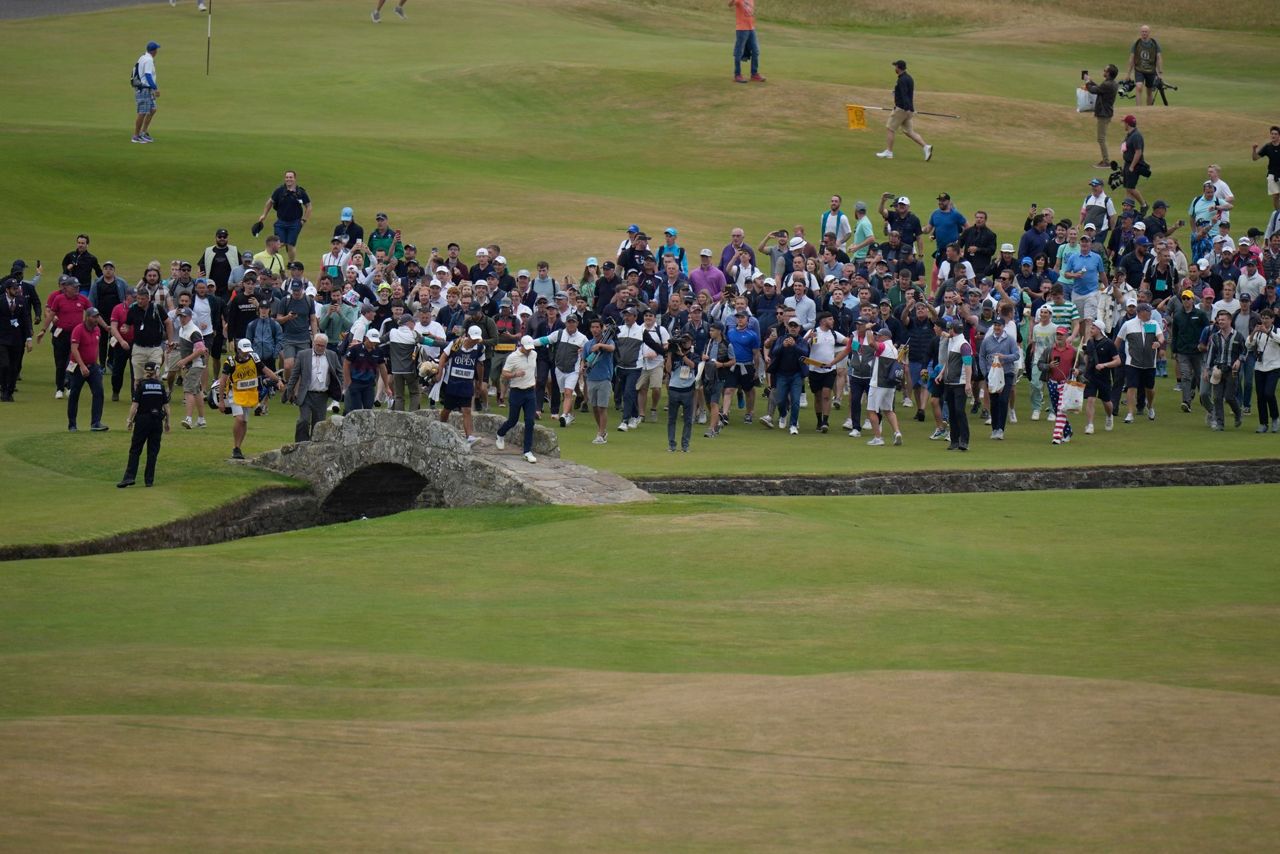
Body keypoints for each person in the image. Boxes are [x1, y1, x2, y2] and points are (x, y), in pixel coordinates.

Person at [219, 338, 281, 460]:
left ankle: (238, 448)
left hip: (249, 394)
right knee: (240, 419)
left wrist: (277, 380)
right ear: (238, 350)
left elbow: (265, 370)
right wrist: (221, 400)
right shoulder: (230, 362)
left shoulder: (254, 358)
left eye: (248, 351)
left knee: (245, 421)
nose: (246, 354)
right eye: (244, 351)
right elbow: (223, 381)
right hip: (235, 393)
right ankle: (235, 447)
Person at [38, 275, 94, 399]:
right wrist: (43, 330)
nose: (77, 289)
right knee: (60, 362)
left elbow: (92, 313)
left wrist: (103, 326)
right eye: (74, 287)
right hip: (61, 334)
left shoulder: (82, 299)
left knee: (73, 360)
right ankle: (59, 388)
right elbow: (50, 314)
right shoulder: (57, 298)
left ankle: (69, 385)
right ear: (66, 287)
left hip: (76, 335)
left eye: (77, 287)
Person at [117, 361, 169, 488]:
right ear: (156, 372)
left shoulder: (141, 386)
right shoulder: (161, 386)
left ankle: (129, 477)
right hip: (157, 421)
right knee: (153, 451)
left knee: (135, 449)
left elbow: (135, 405)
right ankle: (149, 480)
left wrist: (129, 420)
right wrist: (168, 422)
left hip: (142, 420)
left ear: (146, 371)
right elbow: (166, 406)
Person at [68, 308, 120, 432]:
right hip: (78, 367)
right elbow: (74, 349)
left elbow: (95, 348)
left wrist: (94, 364)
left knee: (99, 392)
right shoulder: (78, 330)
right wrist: (82, 365)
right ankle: (72, 424)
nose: (96, 319)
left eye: (97, 317)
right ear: (87, 317)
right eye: (94, 317)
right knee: (74, 394)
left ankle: (95, 423)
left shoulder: (97, 330)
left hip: (93, 366)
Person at [285, 333, 343, 442]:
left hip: (322, 395)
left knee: (319, 424)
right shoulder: (303, 355)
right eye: (318, 345)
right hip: (306, 394)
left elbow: (339, 372)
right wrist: (289, 391)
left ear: (326, 346)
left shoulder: (332, 355)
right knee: (303, 421)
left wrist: (340, 387)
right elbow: (295, 374)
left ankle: (315, 447)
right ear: (313, 343)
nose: (320, 348)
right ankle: (301, 445)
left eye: (323, 346)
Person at [495, 336, 540, 463]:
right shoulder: (512, 357)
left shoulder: (534, 354)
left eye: (531, 348)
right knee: (513, 420)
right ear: (521, 346)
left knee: (530, 421)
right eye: (527, 348)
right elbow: (504, 373)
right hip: (516, 392)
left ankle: (527, 451)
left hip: (530, 392)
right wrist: (515, 374)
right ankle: (500, 433)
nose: (529, 351)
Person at [876, 60, 932, 162]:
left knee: (890, 128)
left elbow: (905, 95)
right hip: (908, 110)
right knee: (909, 131)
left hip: (902, 109)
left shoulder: (902, 80)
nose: (894, 69)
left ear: (899, 68)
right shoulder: (909, 78)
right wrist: (910, 109)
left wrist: (907, 108)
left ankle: (889, 152)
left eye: (895, 67)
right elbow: (906, 93)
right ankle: (926, 147)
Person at [1117, 302, 1163, 422]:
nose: (1149, 313)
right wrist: (1115, 356)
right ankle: (1130, 414)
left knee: (1150, 388)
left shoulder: (1153, 324)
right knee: (1131, 387)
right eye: (1147, 311)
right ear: (1140, 313)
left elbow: (1160, 337)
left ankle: (1150, 406)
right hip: (1132, 362)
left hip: (1149, 363)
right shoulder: (1128, 325)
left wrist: (1159, 342)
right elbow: (1118, 341)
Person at [437, 325, 483, 443]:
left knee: (467, 409)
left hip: (467, 383)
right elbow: (443, 357)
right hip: (452, 382)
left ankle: (469, 436)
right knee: (447, 409)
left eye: (477, 339)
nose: (475, 341)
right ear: (468, 336)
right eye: (474, 339)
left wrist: (479, 382)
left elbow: (480, 365)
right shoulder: (455, 344)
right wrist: (440, 372)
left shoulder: (479, 348)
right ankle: (440, 427)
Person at [256, 170, 312, 263]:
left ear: (295, 179)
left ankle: (291, 264)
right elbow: (270, 202)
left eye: (290, 177)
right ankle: (264, 258)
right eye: (287, 177)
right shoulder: (279, 191)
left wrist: (303, 220)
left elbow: (309, 206)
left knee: (290, 245)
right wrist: (264, 215)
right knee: (278, 243)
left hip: (295, 223)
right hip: (281, 222)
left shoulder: (300, 192)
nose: (288, 179)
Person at [1203, 310, 1244, 430]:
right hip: (1218, 370)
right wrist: (1206, 369)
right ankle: (1220, 423)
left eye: (1223, 319)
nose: (1220, 321)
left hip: (1232, 371)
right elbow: (1211, 354)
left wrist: (1239, 360)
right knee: (1217, 397)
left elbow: (1244, 352)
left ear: (1229, 321)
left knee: (1229, 397)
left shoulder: (1238, 336)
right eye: (1219, 319)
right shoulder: (1215, 337)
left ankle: (1238, 413)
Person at [979, 315, 1017, 439]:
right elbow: (981, 356)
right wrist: (985, 372)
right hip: (992, 375)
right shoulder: (987, 340)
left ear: (1003, 326)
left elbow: (1016, 355)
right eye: (995, 325)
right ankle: (994, 428)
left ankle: (1000, 429)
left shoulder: (1010, 339)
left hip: (1006, 373)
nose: (997, 327)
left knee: (1003, 400)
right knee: (994, 401)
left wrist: (1004, 357)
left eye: (999, 325)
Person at [866, 325, 903, 446]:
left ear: (885, 336)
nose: (877, 337)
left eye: (879, 335)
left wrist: (868, 330)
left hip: (878, 383)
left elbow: (871, 343)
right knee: (888, 410)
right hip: (890, 385)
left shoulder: (883, 346)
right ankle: (897, 432)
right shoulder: (894, 348)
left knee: (871, 410)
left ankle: (878, 438)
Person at [1081, 321, 1120, 433]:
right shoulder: (1090, 342)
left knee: (1106, 401)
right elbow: (1087, 358)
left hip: (1103, 376)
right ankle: (1090, 425)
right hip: (1091, 375)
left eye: (1093, 328)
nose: (1091, 330)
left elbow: (1117, 361)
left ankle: (1109, 416)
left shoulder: (1109, 344)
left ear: (1099, 329)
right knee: (1090, 399)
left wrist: (1104, 365)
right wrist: (1082, 370)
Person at [0, 276, 34, 402]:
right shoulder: (1, 301)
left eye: (17, 288)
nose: (17, 290)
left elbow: (25, 320)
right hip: (2, 339)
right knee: (4, 365)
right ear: (7, 289)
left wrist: (29, 338)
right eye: (14, 289)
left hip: (17, 340)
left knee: (14, 367)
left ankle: (9, 391)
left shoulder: (20, 301)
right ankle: (3, 389)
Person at [1040, 326, 1077, 445]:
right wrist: (1048, 366)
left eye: (1061, 334)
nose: (1059, 336)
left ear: (1066, 336)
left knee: (1061, 408)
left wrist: (1078, 371)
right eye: (1058, 334)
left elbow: (1081, 365)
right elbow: (1040, 364)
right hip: (1052, 382)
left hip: (1065, 384)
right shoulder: (1049, 350)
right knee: (1056, 409)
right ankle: (1067, 430)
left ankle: (1057, 436)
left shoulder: (1073, 351)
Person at [940, 318, 971, 450]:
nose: (948, 331)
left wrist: (968, 383)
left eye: (949, 329)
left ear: (953, 330)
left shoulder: (963, 345)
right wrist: (942, 373)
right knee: (952, 412)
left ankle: (964, 440)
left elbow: (968, 364)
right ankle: (954, 440)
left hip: (960, 383)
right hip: (949, 382)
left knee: (959, 411)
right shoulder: (953, 340)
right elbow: (948, 360)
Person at [1248, 309, 1280, 433]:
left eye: (1267, 318)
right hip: (1260, 367)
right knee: (1260, 396)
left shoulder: (1277, 331)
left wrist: (1268, 333)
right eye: (1263, 318)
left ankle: (1275, 418)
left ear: (1273, 319)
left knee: (1268, 393)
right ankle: (1263, 423)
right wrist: (1254, 332)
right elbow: (1248, 345)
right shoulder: (1258, 333)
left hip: (1274, 367)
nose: (1265, 320)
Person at [1081, 64, 1119, 167]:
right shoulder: (1112, 83)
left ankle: (1106, 161)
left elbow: (1094, 90)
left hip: (1104, 114)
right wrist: (1091, 81)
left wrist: (1088, 82)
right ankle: (1105, 160)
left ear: (1109, 73)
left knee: (1101, 139)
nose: (1103, 71)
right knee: (1102, 138)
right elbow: (1099, 88)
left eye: (1105, 70)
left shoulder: (1107, 84)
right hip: (1107, 113)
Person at [1126, 25, 1164, 107]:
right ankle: (1138, 108)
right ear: (1140, 32)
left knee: (1149, 91)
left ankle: (1148, 110)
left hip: (1151, 71)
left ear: (1149, 33)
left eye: (1146, 32)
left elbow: (1159, 58)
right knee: (1139, 87)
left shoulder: (1154, 43)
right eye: (1142, 31)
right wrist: (1128, 74)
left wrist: (1160, 72)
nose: (1144, 33)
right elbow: (1131, 58)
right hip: (1139, 70)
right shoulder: (1136, 44)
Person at [131, 41, 159, 144]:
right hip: (144, 89)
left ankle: (143, 132)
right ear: (153, 51)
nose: (157, 52)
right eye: (156, 50)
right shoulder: (148, 60)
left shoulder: (143, 57)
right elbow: (148, 75)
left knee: (152, 109)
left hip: (146, 88)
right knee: (142, 112)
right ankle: (136, 136)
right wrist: (155, 88)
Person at [729, 0, 764, 84]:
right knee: (739, 51)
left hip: (751, 29)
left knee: (756, 51)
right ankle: (737, 75)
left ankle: (754, 74)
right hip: (741, 29)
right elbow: (730, 4)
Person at [1120, 115, 1148, 211]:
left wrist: (1132, 166)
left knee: (1131, 188)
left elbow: (1138, 152)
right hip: (1128, 164)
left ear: (1127, 124)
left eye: (1124, 123)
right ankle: (1128, 208)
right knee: (1127, 188)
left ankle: (1144, 205)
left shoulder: (1136, 136)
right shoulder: (1130, 135)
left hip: (1134, 165)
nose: (1124, 124)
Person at [1251, 126, 1280, 212]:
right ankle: (1278, 214)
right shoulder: (1268, 147)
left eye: (1275, 134)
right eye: (1272, 134)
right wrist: (1254, 149)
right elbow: (1255, 158)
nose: (1273, 136)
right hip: (1272, 174)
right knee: (1275, 195)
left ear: (1279, 136)